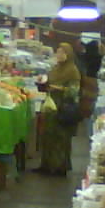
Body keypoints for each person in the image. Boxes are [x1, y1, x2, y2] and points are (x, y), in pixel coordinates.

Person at [36, 42, 83, 176]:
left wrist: (58, 88)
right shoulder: (55, 68)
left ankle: (60, 167)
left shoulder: (72, 70)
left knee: (61, 138)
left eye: (63, 52)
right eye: (58, 52)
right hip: (50, 105)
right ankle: (46, 165)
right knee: (47, 136)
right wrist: (42, 83)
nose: (59, 55)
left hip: (63, 107)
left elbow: (74, 91)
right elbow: (48, 84)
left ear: (68, 55)